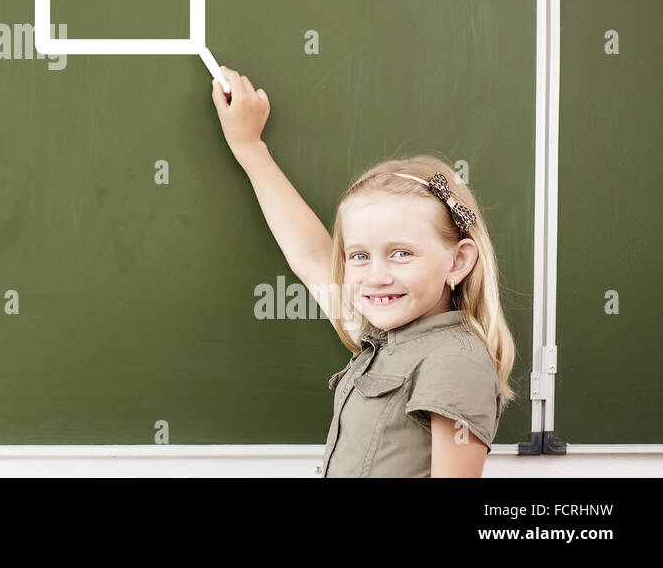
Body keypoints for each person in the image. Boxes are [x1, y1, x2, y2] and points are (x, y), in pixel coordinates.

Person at [211, 67, 517, 477]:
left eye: (401, 253)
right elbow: (312, 254)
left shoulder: (453, 363)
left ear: (458, 262)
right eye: (358, 256)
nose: (376, 276)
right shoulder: (387, 339)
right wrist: (249, 147)